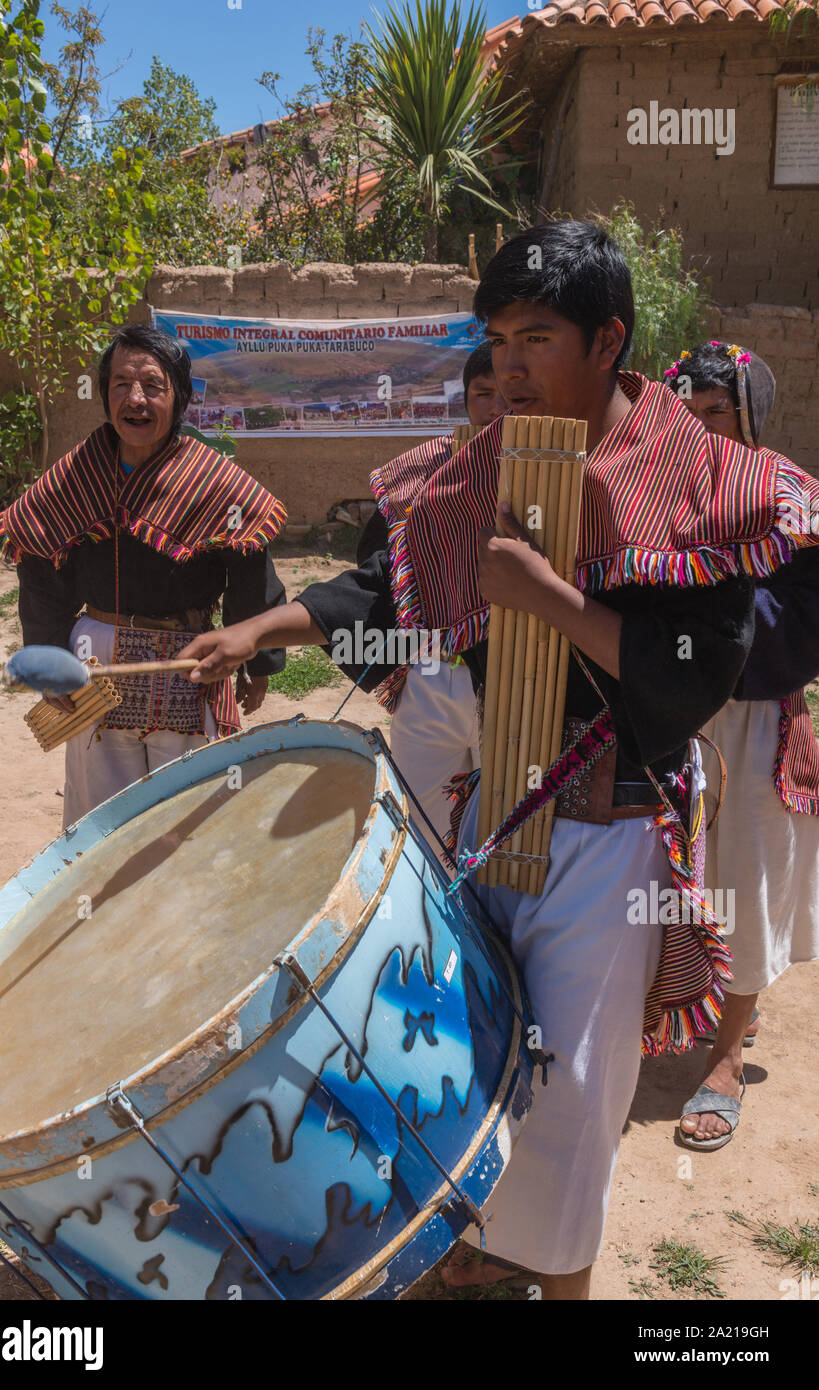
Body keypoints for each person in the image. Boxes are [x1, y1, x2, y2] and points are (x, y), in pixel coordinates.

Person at [177, 222, 819, 1299]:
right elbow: (391, 589)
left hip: (612, 836)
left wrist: (557, 602)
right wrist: (259, 633)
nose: (510, 366)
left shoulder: (702, 479)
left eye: (537, 338)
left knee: (567, 1099)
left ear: (608, 339)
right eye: (497, 340)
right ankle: (465, 1253)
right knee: (456, 1061)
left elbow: (701, 668)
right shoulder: (485, 469)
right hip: (492, 821)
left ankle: (555, 1283)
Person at [0, 324, 287, 827]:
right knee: (101, 821)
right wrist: (49, 660)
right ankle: (102, 906)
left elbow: (250, 570)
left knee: (190, 817)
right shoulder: (74, 478)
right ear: (104, 395)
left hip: (192, 662)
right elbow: (39, 570)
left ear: (180, 397)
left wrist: (257, 662)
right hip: (92, 663)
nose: (136, 399)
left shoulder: (215, 482)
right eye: (121, 385)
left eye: (153, 385)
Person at [664, 341, 819, 1149]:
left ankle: (725, 1057)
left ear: (749, 415)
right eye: (681, 413)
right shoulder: (647, 498)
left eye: (715, 412)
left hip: (753, 720)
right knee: (670, 879)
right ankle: (692, 1003)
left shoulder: (794, 502)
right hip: (666, 719)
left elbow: (801, 621)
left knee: (745, 884)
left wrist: (704, 617)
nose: (697, 428)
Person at [357, 341, 507, 851]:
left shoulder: (559, 473)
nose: (495, 407)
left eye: (507, 392)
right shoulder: (421, 476)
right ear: (464, 400)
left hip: (521, 684)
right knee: (423, 827)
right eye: (482, 393)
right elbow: (378, 566)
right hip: (433, 674)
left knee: (506, 835)